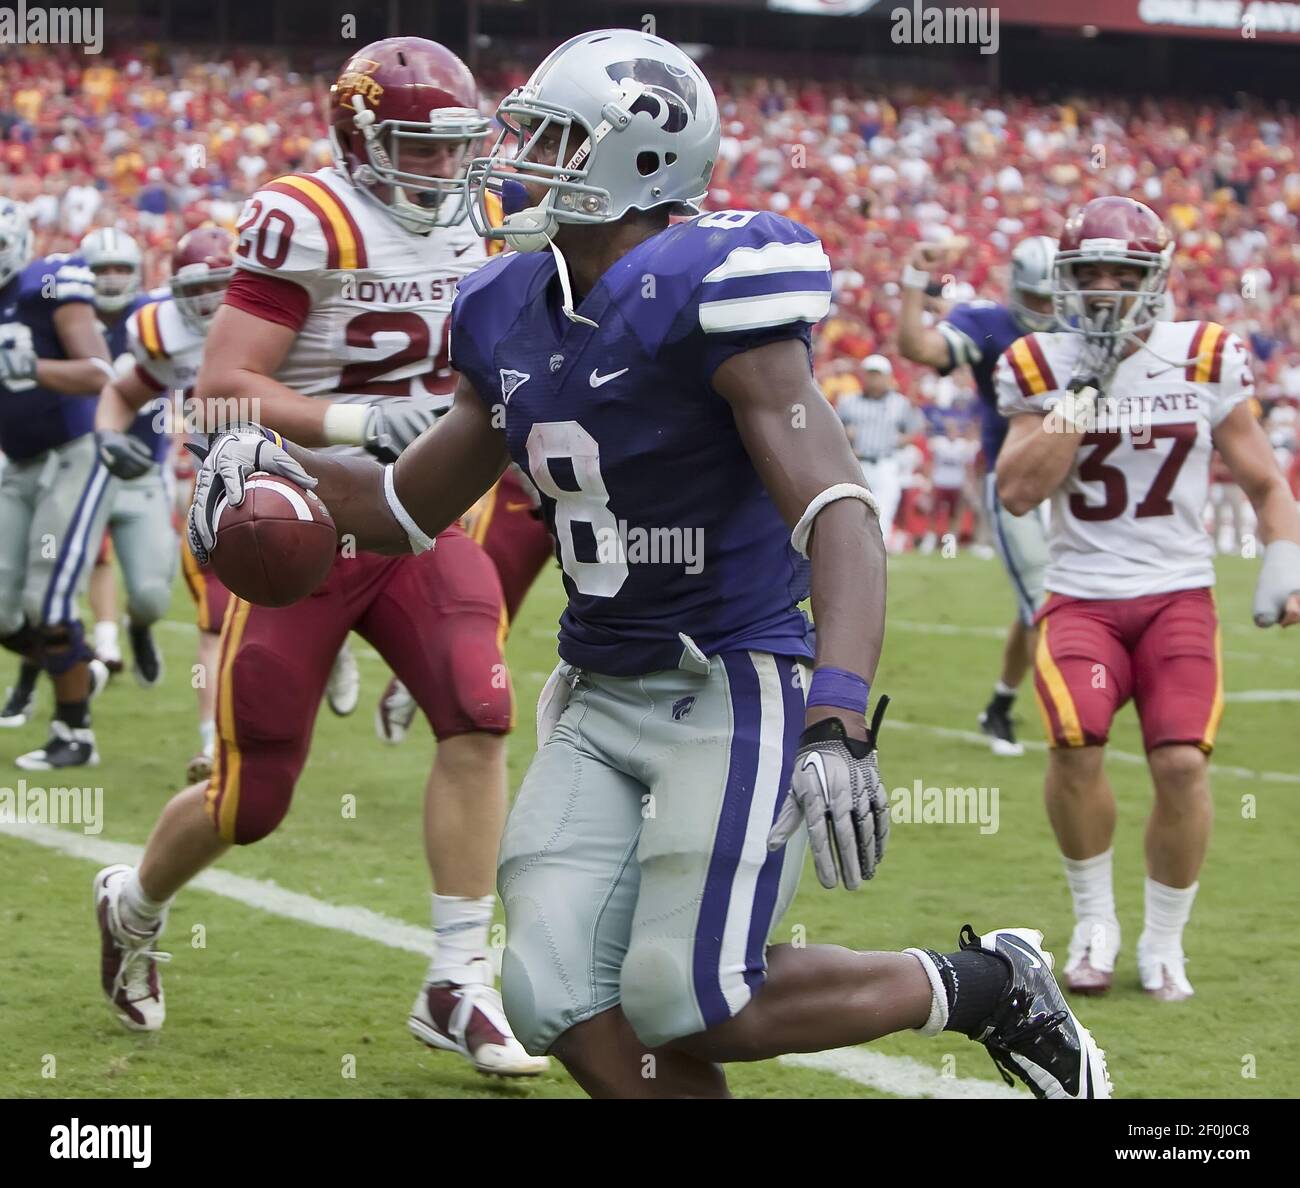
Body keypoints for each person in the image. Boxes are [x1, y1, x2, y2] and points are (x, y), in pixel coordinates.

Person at [187, 29, 1111, 1100]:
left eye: (549, 137)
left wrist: (841, 717)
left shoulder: (712, 284)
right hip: (596, 686)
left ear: (632, 157)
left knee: (688, 999)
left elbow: (840, 515)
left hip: (731, 676)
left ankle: (990, 985)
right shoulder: (500, 305)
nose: (515, 156)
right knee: (552, 994)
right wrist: (280, 470)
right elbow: (406, 505)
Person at [91, 38, 545, 1079]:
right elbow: (224, 384)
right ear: (359, 138)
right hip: (299, 516)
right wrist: (358, 416)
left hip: (416, 517)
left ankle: (456, 979)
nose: (444, 169)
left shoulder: (487, 215)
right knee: (254, 798)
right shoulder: (313, 217)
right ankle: (135, 903)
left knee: (478, 713)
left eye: (455, 148)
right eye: (419, 149)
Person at [995, 196, 1300, 1001]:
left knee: (1179, 764)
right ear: (1063, 278)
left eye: (1119, 270)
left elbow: (1267, 481)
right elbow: (1018, 491)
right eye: (1086, 271)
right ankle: (1095, 921)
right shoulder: (1040, 361)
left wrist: (1285, 558)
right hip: (1083, 595)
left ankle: (1165, 941)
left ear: (1152, 277)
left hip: (1176, 595)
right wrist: (1085, 389)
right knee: (1074, 748)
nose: (1101, 286)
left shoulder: (1201, 355)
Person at [899, 235, 1059, 756]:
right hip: (1013, 480)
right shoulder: (989, 322)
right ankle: (1074, 722)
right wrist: (910, 286)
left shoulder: (1079, 324)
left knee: (1035, 605)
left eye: (1051, 298)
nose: (1044, 309)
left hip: (1072, 483)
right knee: (1044, 604)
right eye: (1035, 298)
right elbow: (917, 349)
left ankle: (999, 706)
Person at [93, 226, 235, 781]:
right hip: (217, 491)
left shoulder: (278, 322)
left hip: (299, 474)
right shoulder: (166, 336)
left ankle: (337, 653)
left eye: (221, 287)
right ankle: (212, 744)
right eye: (198, 290)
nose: (209, 303)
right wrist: (108, 435)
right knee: (213, 620)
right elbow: (124, 391)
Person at [0, 198, 115, 767]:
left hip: (76, 451)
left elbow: (99, 372)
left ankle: (75, 734)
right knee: (4, 610)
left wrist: (26, 367)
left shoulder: (46, 283)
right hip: (17, 461)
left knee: (46, 599)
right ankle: (81, 662)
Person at [81, 226, 175, 689]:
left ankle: (137, 627)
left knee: (153, 596)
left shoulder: (157, 314)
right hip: (82, 465)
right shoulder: (66, 317)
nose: (113, 278)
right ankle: (86, 655)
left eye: (121, 268)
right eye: (102, 269)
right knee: (49, 581)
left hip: (143, 468)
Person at [834, 354, 924, 551]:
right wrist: (845, 435)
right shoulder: (849, 402)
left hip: (886, 462)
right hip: (857, 462)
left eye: (877, 375)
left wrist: (902, 440)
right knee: (855, 510)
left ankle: (877, 554)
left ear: (887, 377)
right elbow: (834, 431)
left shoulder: (899, 403)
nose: (873, 379)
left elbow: (916, 427)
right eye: (869, 374)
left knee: (884, 510)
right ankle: (855, 550)